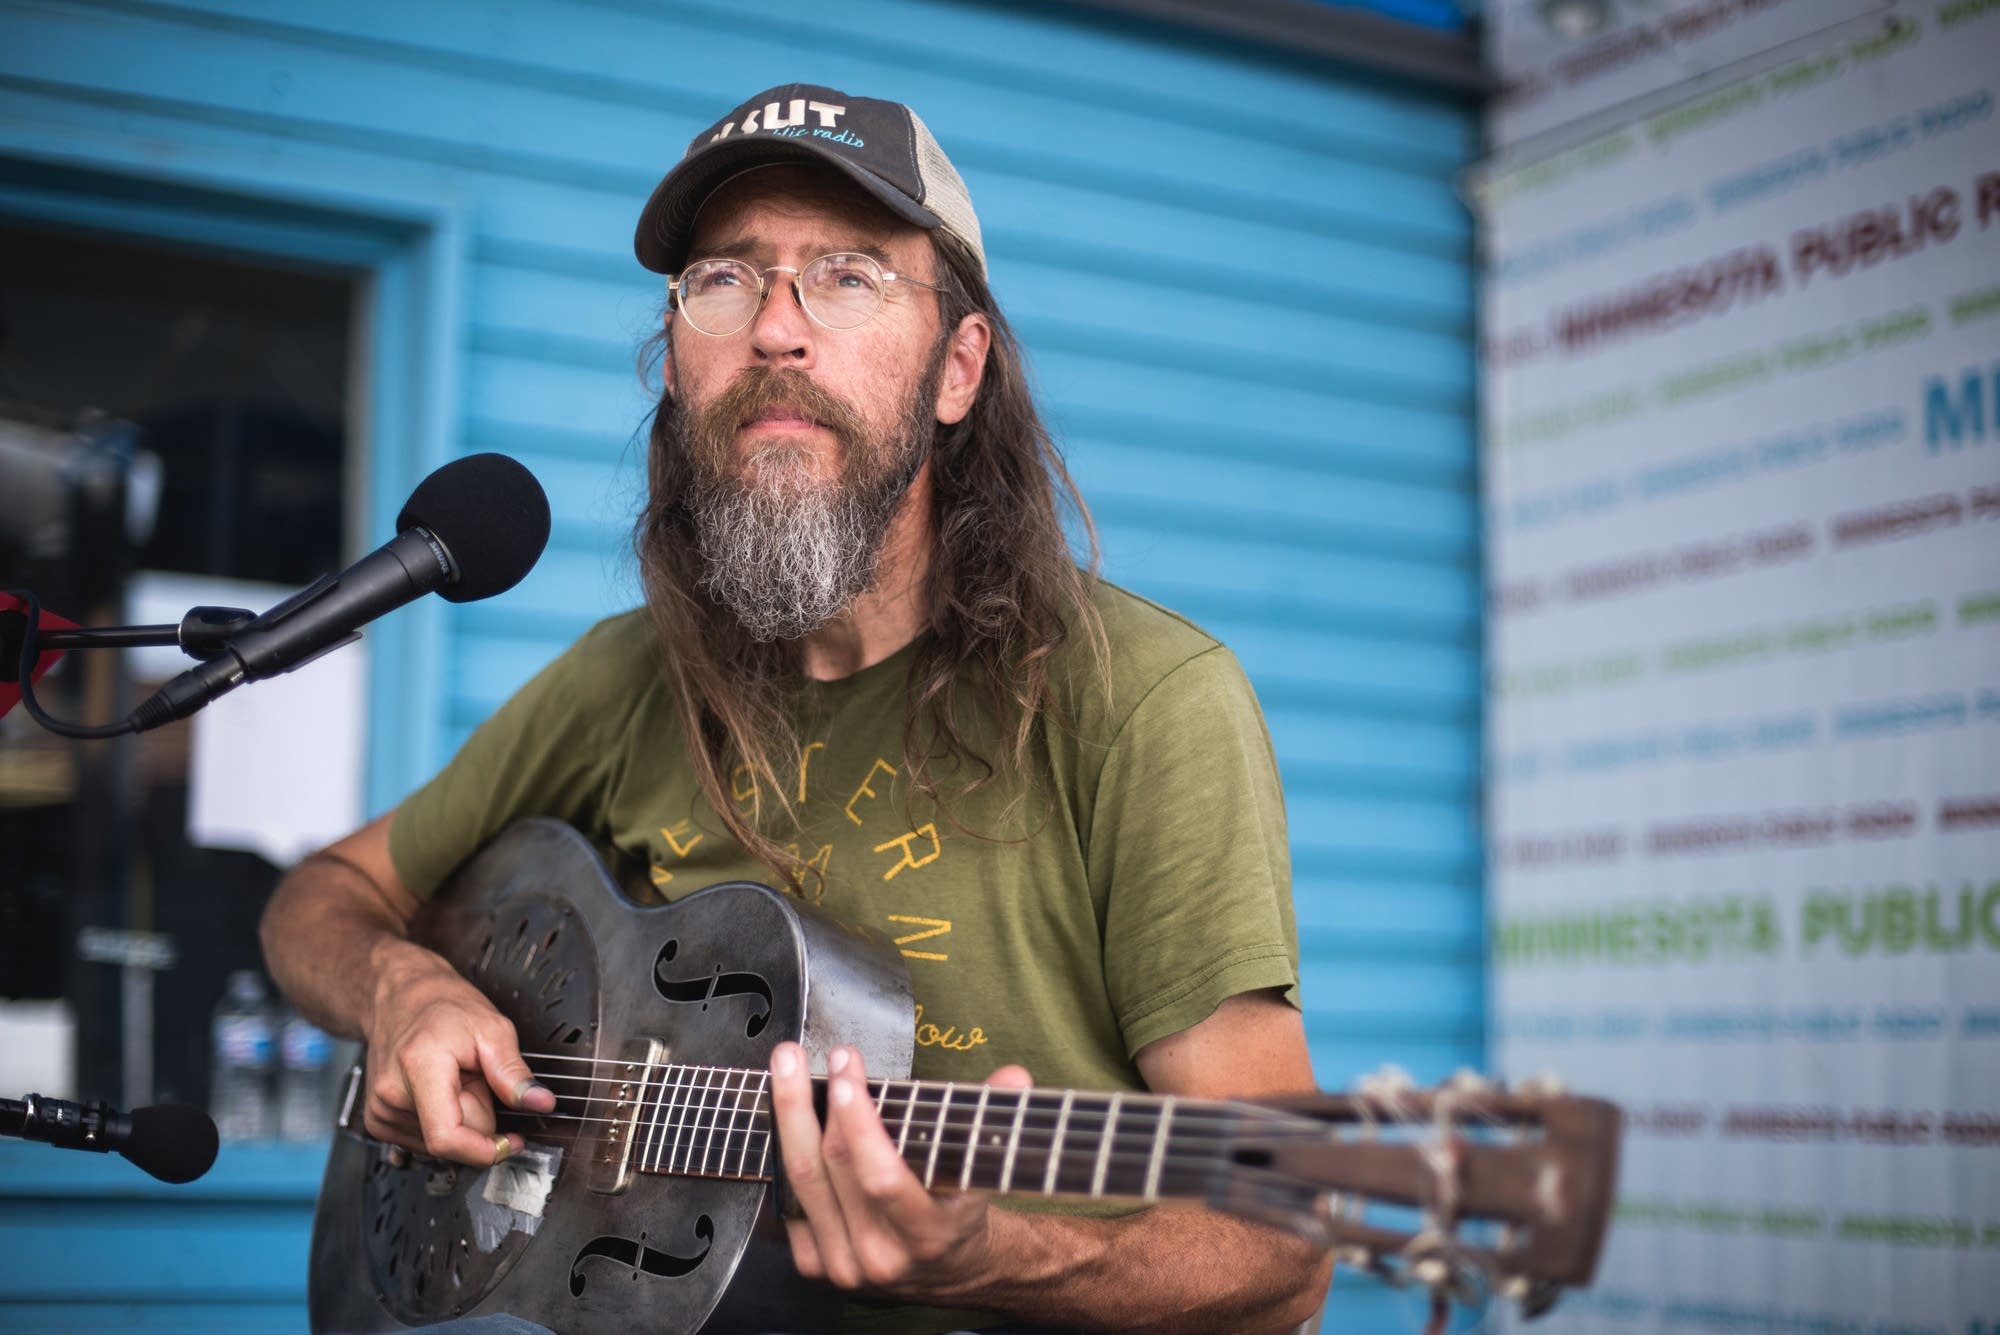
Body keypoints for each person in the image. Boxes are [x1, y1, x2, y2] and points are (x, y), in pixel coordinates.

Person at [261, 83, 1330, 1335]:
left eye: (849, 277)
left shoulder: (1142, 702)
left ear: (957, 368)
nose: (776, 329)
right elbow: (316, 901)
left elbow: (1284, 1235)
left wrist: (995, 1255)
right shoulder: (622, 682)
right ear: (676, 364)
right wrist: (401, 989)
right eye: (723, 281)